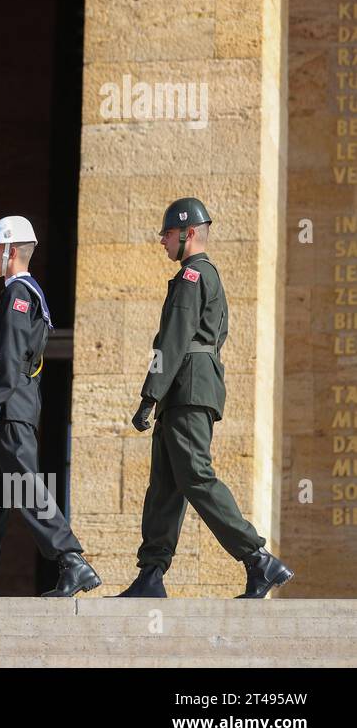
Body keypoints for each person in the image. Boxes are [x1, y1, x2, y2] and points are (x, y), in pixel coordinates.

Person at [119, 198, 292, 599]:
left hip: (187, 390)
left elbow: (175, 340)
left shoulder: (193, 277)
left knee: (195, 475)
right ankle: (151, 574)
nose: (162, 240)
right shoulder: (201, 277)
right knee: (165, 485)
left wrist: (149, 395)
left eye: (168, 233)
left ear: (188, 233)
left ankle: (258, 559)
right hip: (185, 389)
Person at [0, 216, 100, 598]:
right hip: (10, 409)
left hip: (10, 409)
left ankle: (71, 560)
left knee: (25, 488)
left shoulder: (20, 295)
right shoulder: (22, 294)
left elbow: (12, 357)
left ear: (11, 251)